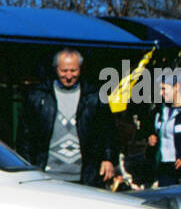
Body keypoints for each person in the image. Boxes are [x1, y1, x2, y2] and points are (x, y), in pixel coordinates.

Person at [17, 48, 117, 187]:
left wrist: (108, 159)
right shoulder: (38, 96)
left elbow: (107, 130)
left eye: (73, 70)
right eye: (64, 71)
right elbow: (25, 136)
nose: (69, 76)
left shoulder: (94, 96)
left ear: (80, 69)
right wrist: (27, 167)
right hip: (47, 175)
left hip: (85, 176)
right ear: (55, 68)